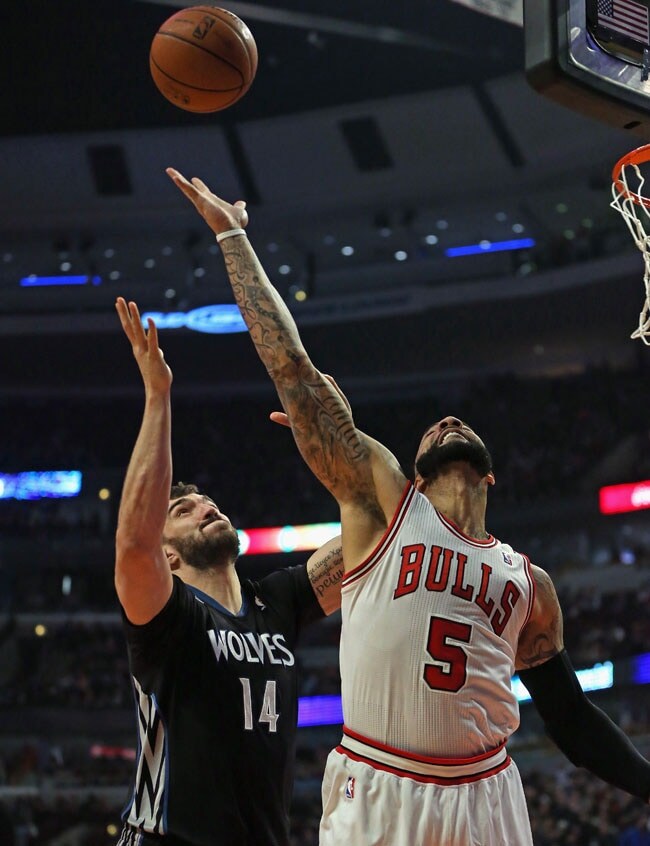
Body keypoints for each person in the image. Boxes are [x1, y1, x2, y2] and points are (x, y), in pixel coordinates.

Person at [165, 168, 650, 845]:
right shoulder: (385, 507)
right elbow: (295, 371)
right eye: (431, 428)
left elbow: (570, 719)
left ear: (493, 476)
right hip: (380, 785)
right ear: (413, 477)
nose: (447, 419)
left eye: (456, 424)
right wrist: (232, 238)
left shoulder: (530, 585)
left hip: (487, 794)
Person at [113, 297, 343, 846]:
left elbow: (375, 540)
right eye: (182, 510)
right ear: (167, 554)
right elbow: (132, 543)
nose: (206, 506)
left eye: (207, 501)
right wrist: (158, 397)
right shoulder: (166, 620)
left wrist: (342, 440)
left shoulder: (278, 601)